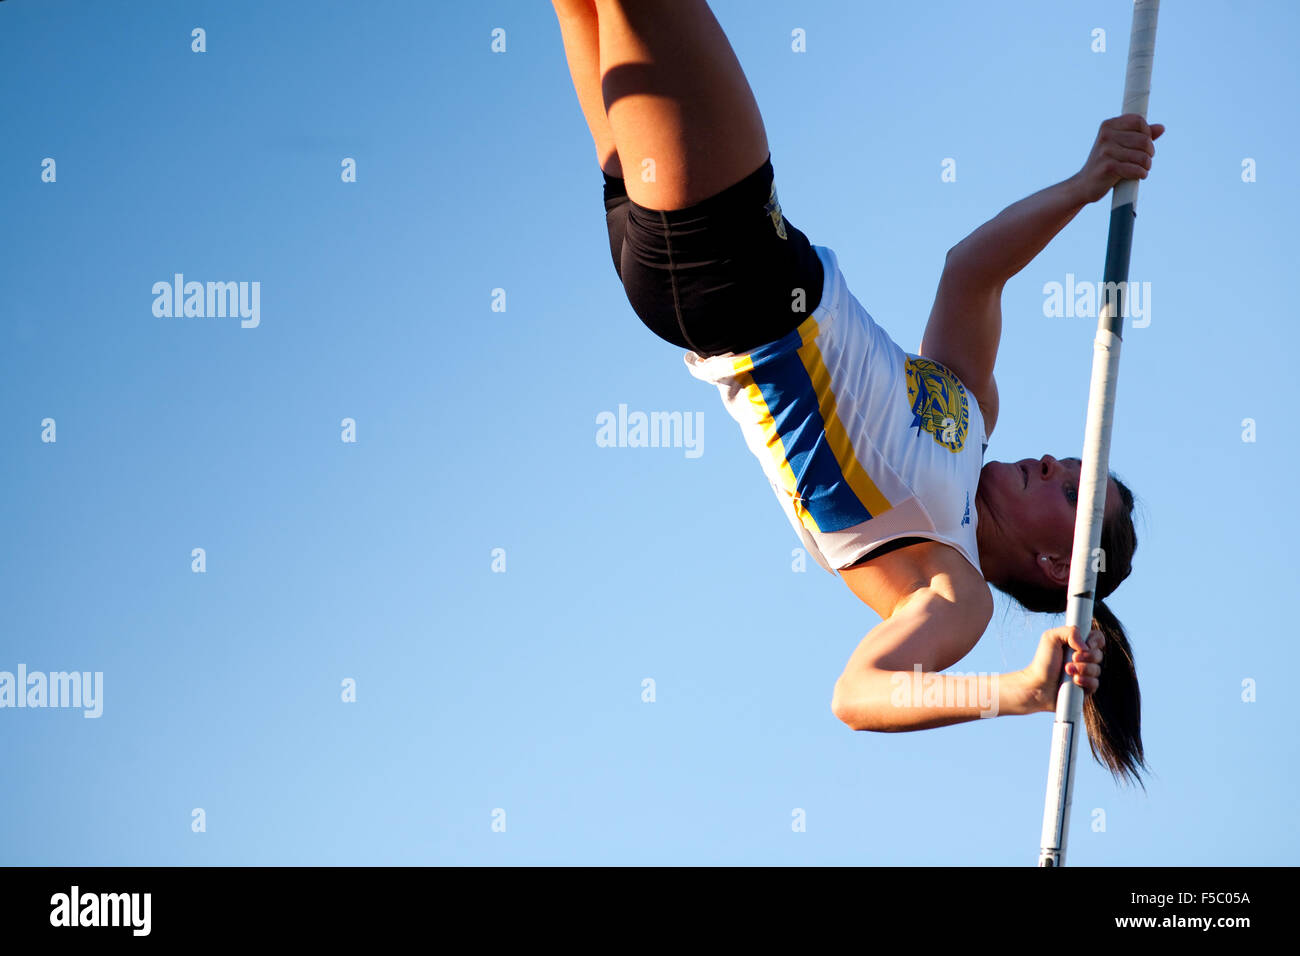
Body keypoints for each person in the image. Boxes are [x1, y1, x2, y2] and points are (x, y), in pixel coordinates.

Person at [553, 0, 1163, 786]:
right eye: (1072, 461)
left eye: (1073, 490)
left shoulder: (956, 587)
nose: (1053, 462)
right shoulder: (974, 414)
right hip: (711, 264)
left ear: (1055, 563)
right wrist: (1084, 186)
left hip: (735, 272)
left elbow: (857, 695)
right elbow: (972, 270)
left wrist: (1016, 692)